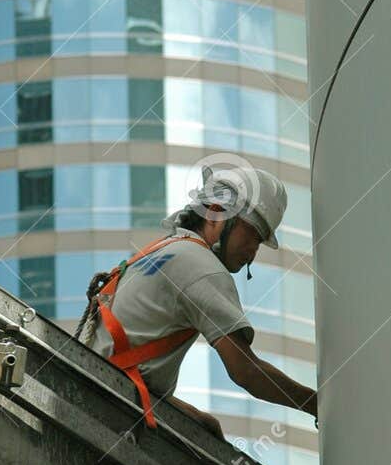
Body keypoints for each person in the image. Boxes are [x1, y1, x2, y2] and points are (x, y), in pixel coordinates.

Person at [77, 164, 317, 438]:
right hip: (105, 401)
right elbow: (246, 372)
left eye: (260, 242)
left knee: (204, 427)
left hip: (96, 384)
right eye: (252, 235)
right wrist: (316, 405)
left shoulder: (165, 250)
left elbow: (129, 366)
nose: (252, 252)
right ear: (215, 214)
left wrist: (195, 417)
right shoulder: (202, 266)